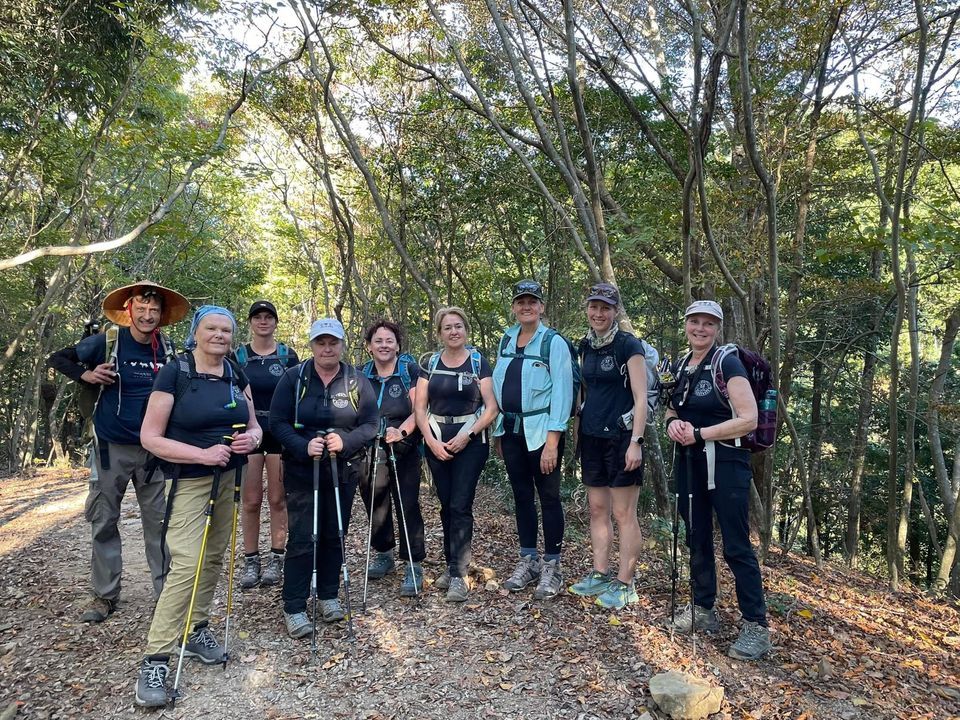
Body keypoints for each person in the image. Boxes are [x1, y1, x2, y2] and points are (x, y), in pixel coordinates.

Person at [134, 306, 262, 708]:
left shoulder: (235, 373)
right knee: (187, 563)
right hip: (188, 480)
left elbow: (254, 424)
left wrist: (252, 440)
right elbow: (150, 437)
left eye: (226, 329)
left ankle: (196, 629)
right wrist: (201, 455)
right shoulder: (176, 373)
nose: (220, 335)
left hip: (229, 477)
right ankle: (155, 660)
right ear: (197, 332)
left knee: (213, 558)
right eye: (212, 328)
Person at [46, 280, 189, 623]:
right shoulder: (107, 342)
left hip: (156, 454)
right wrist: (86, 374)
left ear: (161, 315)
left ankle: (165, 595)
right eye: (141, 309)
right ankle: (104, 595)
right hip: (112, 448)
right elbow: (58, 358)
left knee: (160, 524)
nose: (147, 315)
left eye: (154, 310)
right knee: (104, 519)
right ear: (129, 311)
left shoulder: (167, 350)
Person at [665, 299, 771, 661]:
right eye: (694, 321)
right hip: (690, 460)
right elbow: (671, 407)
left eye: (708, 323)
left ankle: (756, 626)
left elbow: (749, 418)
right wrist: (673, 424)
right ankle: (703, 608)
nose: (700, 328)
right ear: (686, 324)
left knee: (736, 544)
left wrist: (701, 433)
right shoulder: (681, 364)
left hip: (726, 461)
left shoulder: (727, 362)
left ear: (718, 327)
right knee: (695, 536)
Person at [270, 318, 377, 638]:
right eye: (321, 342)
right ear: (312, 345)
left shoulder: (356, 381)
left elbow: (371, 424)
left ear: (343, 345)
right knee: (303, 536)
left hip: (342, 469)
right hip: (303, 471)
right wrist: (303, 446)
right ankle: (294, 606)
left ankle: (329, 595)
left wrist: (346, 442)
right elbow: (277, 422)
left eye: (333, 342)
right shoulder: (294, 378)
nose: (327, 348)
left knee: (334, 532)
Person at [568, 282, 648, 610]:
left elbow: (642, 398)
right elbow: (584, 394)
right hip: (591, 438)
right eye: (594, 307)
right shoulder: (585, 346)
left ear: (615, 311)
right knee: (598, 509)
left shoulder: (629, 346)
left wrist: (636, 442)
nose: (598, 313)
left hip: (621, 438)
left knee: (623, 512)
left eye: (605, 308)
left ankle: (626, 582)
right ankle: (600, 574)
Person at [491, 280, 573, 600]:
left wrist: (553, 441)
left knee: (549, 496)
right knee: (522, 495)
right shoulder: (506, 339)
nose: (526, 306)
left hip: (542, 431)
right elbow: (499, 387)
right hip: (511, 430)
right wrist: (498, 430)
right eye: (520, 301)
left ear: (541, 307)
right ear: (513, 306)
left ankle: (552, 565)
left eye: (532, 301)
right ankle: (529, 560)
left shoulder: (554, 343)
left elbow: (563, 394)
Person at [414, 307, 499, 602]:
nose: (454, 332)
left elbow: (491, 407)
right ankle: (452, 564)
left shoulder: (477, 362)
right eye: (448, 327)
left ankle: (460, 574)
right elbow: (420, 408)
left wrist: (468, 436)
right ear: (439, 333)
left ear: (466, 330)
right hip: (437, 440)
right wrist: (431, 442)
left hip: (471, 441)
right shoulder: (430, 363)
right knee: (446, 503)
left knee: (461, 504)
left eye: (459, 326)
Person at [358, 320, 426, 596]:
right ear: (369, 346)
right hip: (369, 446)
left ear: (398, 344)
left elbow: (420, 408)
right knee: (374, 500)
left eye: (389, 340)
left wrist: (403, 431)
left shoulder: (409, 371)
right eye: (378, 341)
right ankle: (383, 552)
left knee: (406, 501)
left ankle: (413, 562)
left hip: (404, 445)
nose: (384, 345)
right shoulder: (361, 374)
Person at [235, 300, 299, 590]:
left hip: (278, 431)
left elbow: (299, 395)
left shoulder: (288, 357)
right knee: (250, 499)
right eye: (257, 317)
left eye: (268, 317)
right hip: (248, 432)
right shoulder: (237, 356)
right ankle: (251, 560)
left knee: (277, 497)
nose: (263, 322)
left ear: (275, 322)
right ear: (250, 322)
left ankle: (277, 557)